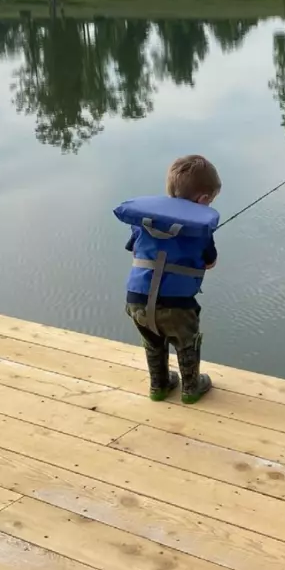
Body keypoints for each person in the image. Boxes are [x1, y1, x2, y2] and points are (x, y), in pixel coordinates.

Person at [113, 155, 221, 405]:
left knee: (153, 341)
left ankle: (159, 386)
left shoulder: (145, 220)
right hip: (177, 306)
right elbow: (210, 261)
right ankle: (191, 388)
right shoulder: (201, 230)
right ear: (203, 200)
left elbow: (134, 248)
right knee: (186, 343)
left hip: (136, 301)